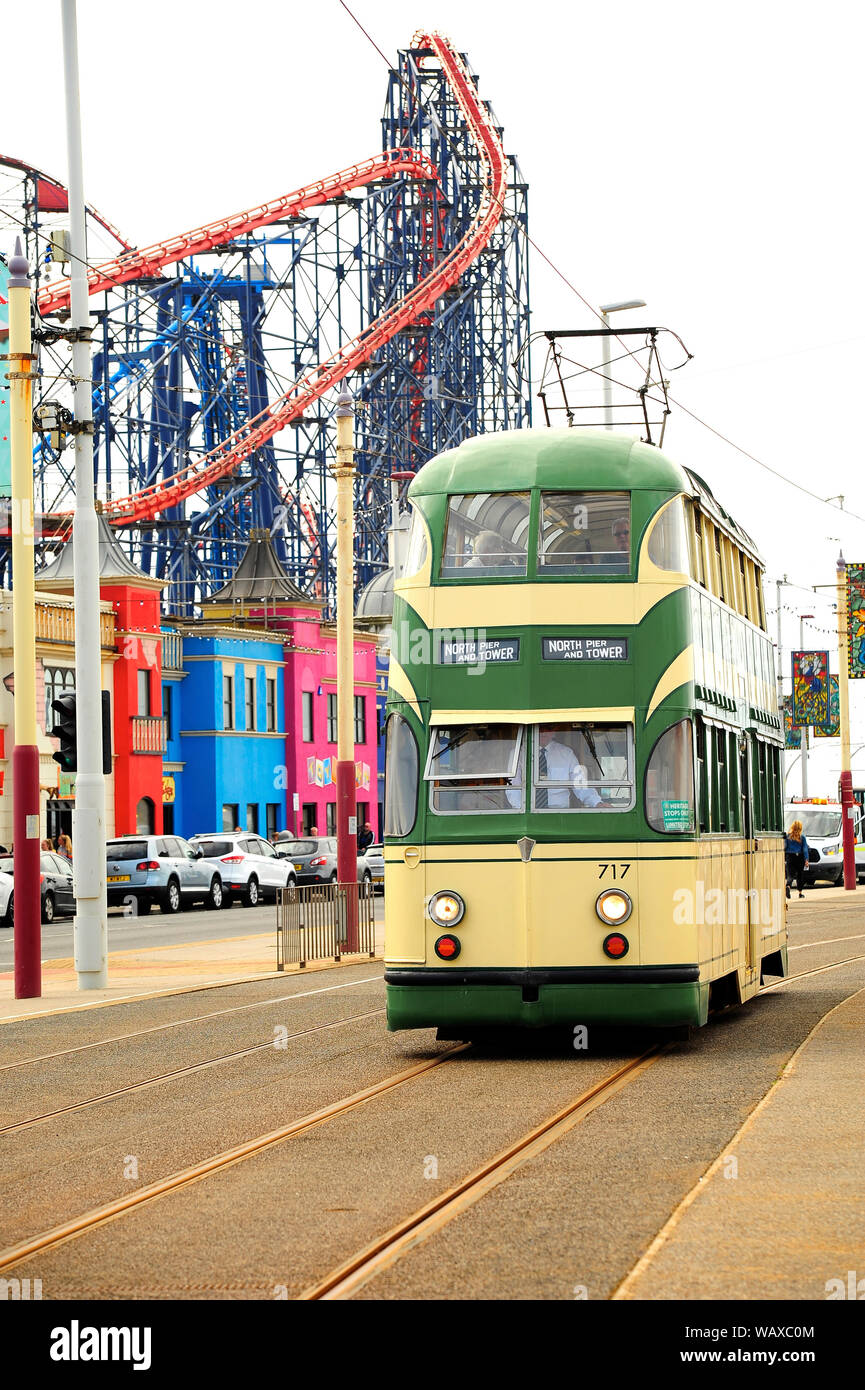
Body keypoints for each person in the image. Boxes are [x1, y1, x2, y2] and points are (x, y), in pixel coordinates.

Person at [536, 727, 603, 808]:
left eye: (548, 728)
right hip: (527, 812)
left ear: (553, 731)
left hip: (558, 813)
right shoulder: (519, 754)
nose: (543, 732)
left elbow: (580, 783)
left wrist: (597, 803)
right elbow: (516, 787)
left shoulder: (567, 754)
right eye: (540, 728)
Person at [784, 819, 809, 899]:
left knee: (790, 874)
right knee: (800, 875)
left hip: (790, 856)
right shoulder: (802, 837)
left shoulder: (788, 836)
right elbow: (805, 849)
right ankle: (800, 893)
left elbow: (785, 847)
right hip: (799, 857)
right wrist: (806, 859)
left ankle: (788, 886)